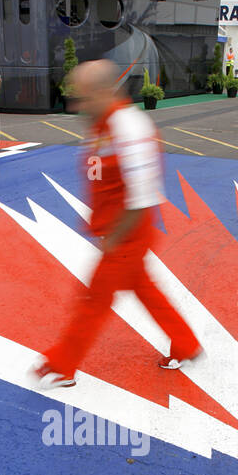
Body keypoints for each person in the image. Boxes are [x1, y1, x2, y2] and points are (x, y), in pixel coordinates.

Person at [32, 60, 203, 389]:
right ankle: (186, 344)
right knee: (146, 291)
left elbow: (143, 195)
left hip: (128, 233)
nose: (77, 106)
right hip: (118, 232)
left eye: (82, 97)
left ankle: (62, 366)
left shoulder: (129, 127)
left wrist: (114, 239)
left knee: (92, 301)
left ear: (102, 92)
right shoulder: (102, 124)